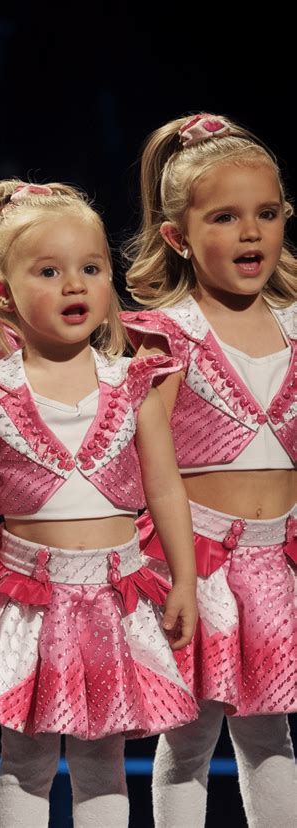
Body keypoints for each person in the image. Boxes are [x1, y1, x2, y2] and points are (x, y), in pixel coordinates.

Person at [0, 179, 198, 828]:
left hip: (118, 596)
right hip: (30, 598)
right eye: (49, 271)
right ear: (3, 292)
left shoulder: (133, 381)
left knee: (101, 757)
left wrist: (185, 580)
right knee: (26, 758)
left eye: (90, 268)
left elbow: (166, 486)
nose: (74, 285)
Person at [122, 112, 296, 828]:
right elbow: (137, 450)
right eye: (225, 218)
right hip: (191, 558)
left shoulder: (294, 325)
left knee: (269, 731)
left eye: (266, 214)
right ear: (178, 238)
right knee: (188, 733)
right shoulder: (167, 335)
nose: (251, 232)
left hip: (272, 560)